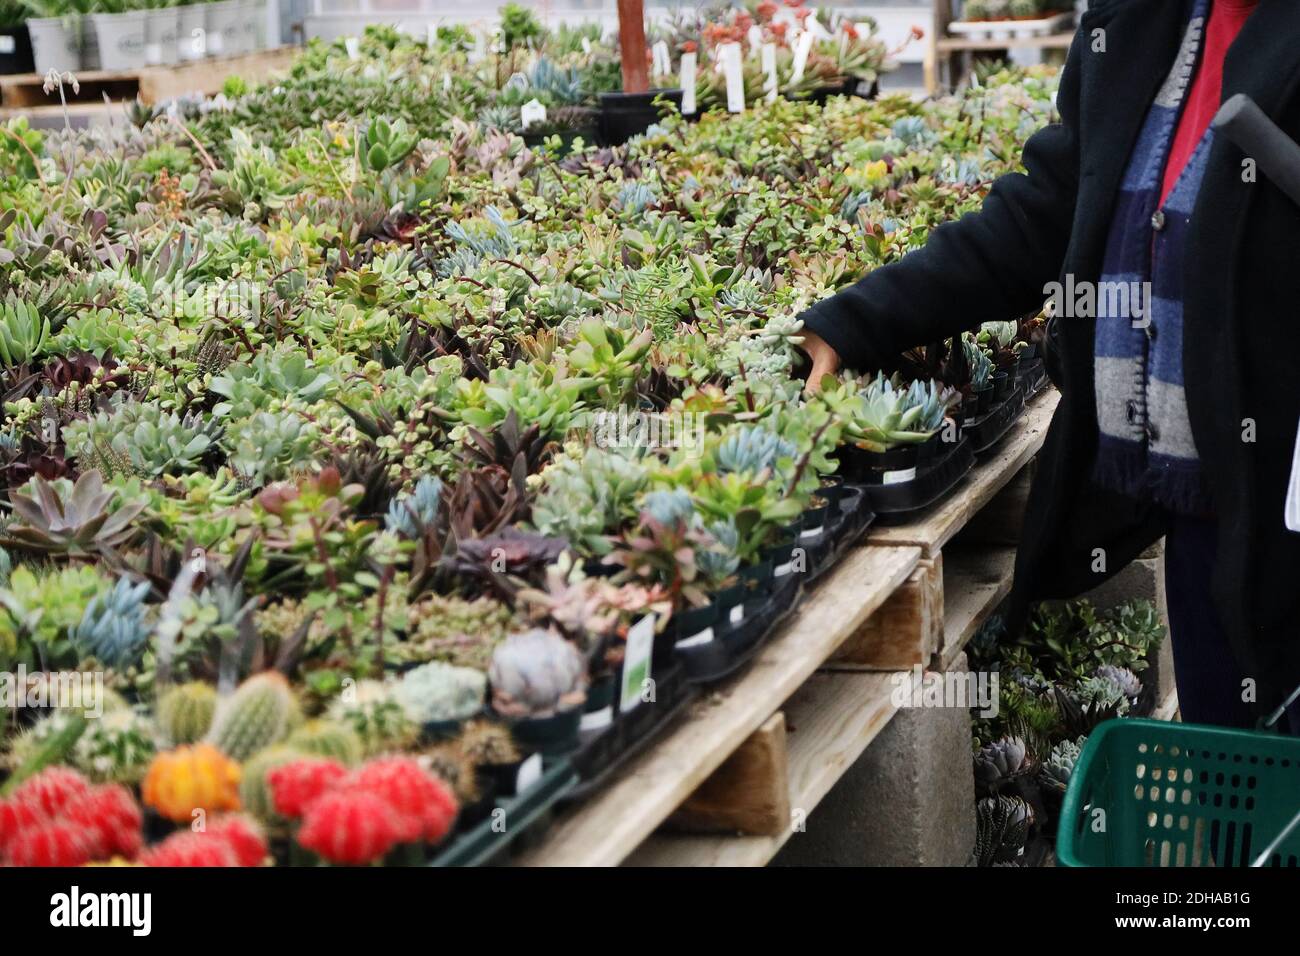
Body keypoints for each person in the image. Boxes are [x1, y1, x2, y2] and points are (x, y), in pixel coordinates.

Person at [797, 0, 1300, 728]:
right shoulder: (1146, 25)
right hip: (1212, 510)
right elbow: (1049, 210)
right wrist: (856, 322)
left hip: (1282, 500)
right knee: (1238, 791)